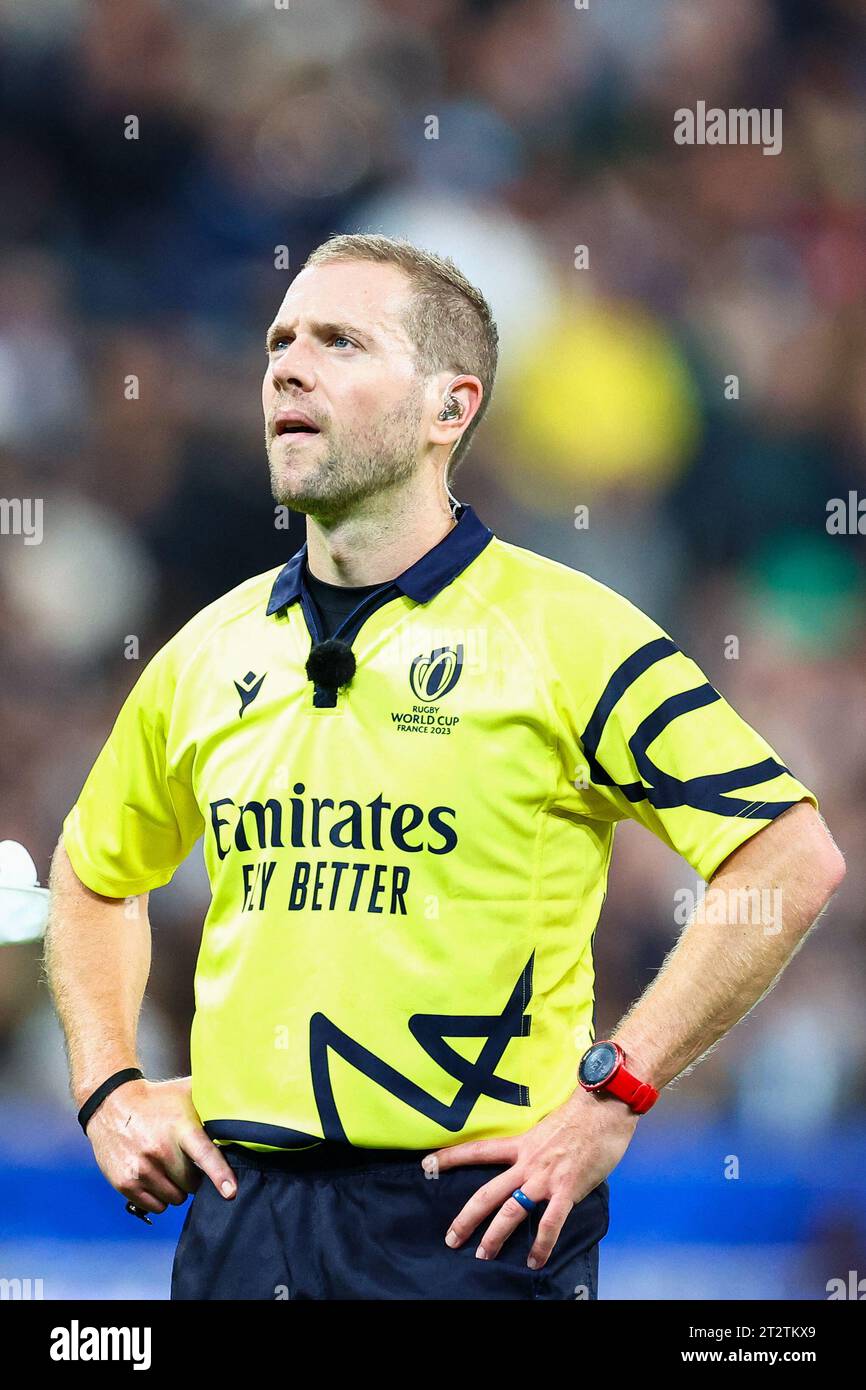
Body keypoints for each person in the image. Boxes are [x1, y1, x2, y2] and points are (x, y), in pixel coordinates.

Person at [45, 234, 845, 1301]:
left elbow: (786, 858)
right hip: (242, 1223)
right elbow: (96, 875)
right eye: (280, 341)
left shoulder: (567, 634)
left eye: (340, 341)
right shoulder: (205, 651)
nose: (287, 365)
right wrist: (108, 1086)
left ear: (447, 408)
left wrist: (611, 1097)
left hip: (469, 1225)